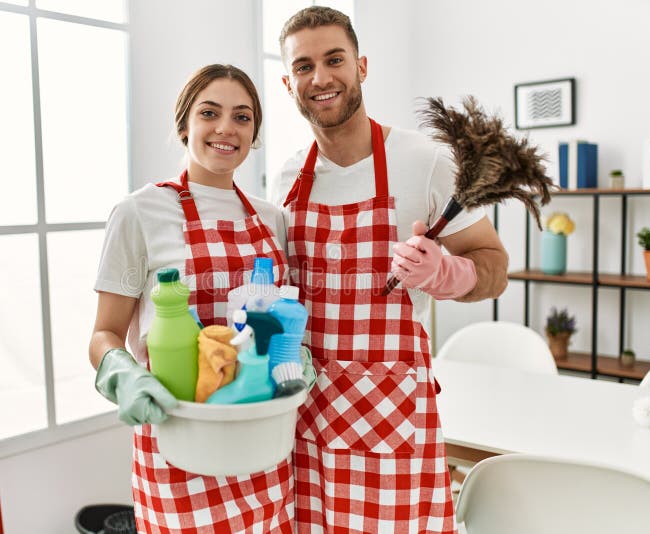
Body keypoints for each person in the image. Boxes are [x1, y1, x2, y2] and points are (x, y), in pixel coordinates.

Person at [268, 7, 509, 533]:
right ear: (288, 82)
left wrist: (444, 273)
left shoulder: (424, 161)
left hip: (389, 422)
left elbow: (494, 267)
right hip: (304, 419)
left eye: (335, 59)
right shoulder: (288, 178)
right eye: (304, 66)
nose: (322, 77)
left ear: (362, 66)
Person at [89, 64, 295, 533]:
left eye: (242, 117)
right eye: (210, 113)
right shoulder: (138, 212)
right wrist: (123, 375)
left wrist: (292, 356)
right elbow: (104, 333)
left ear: (254, 134)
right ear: (184, 125)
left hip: (261, 443)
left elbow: (278, 318)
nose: (226, 128)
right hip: (180, 441)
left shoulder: (272, 219)